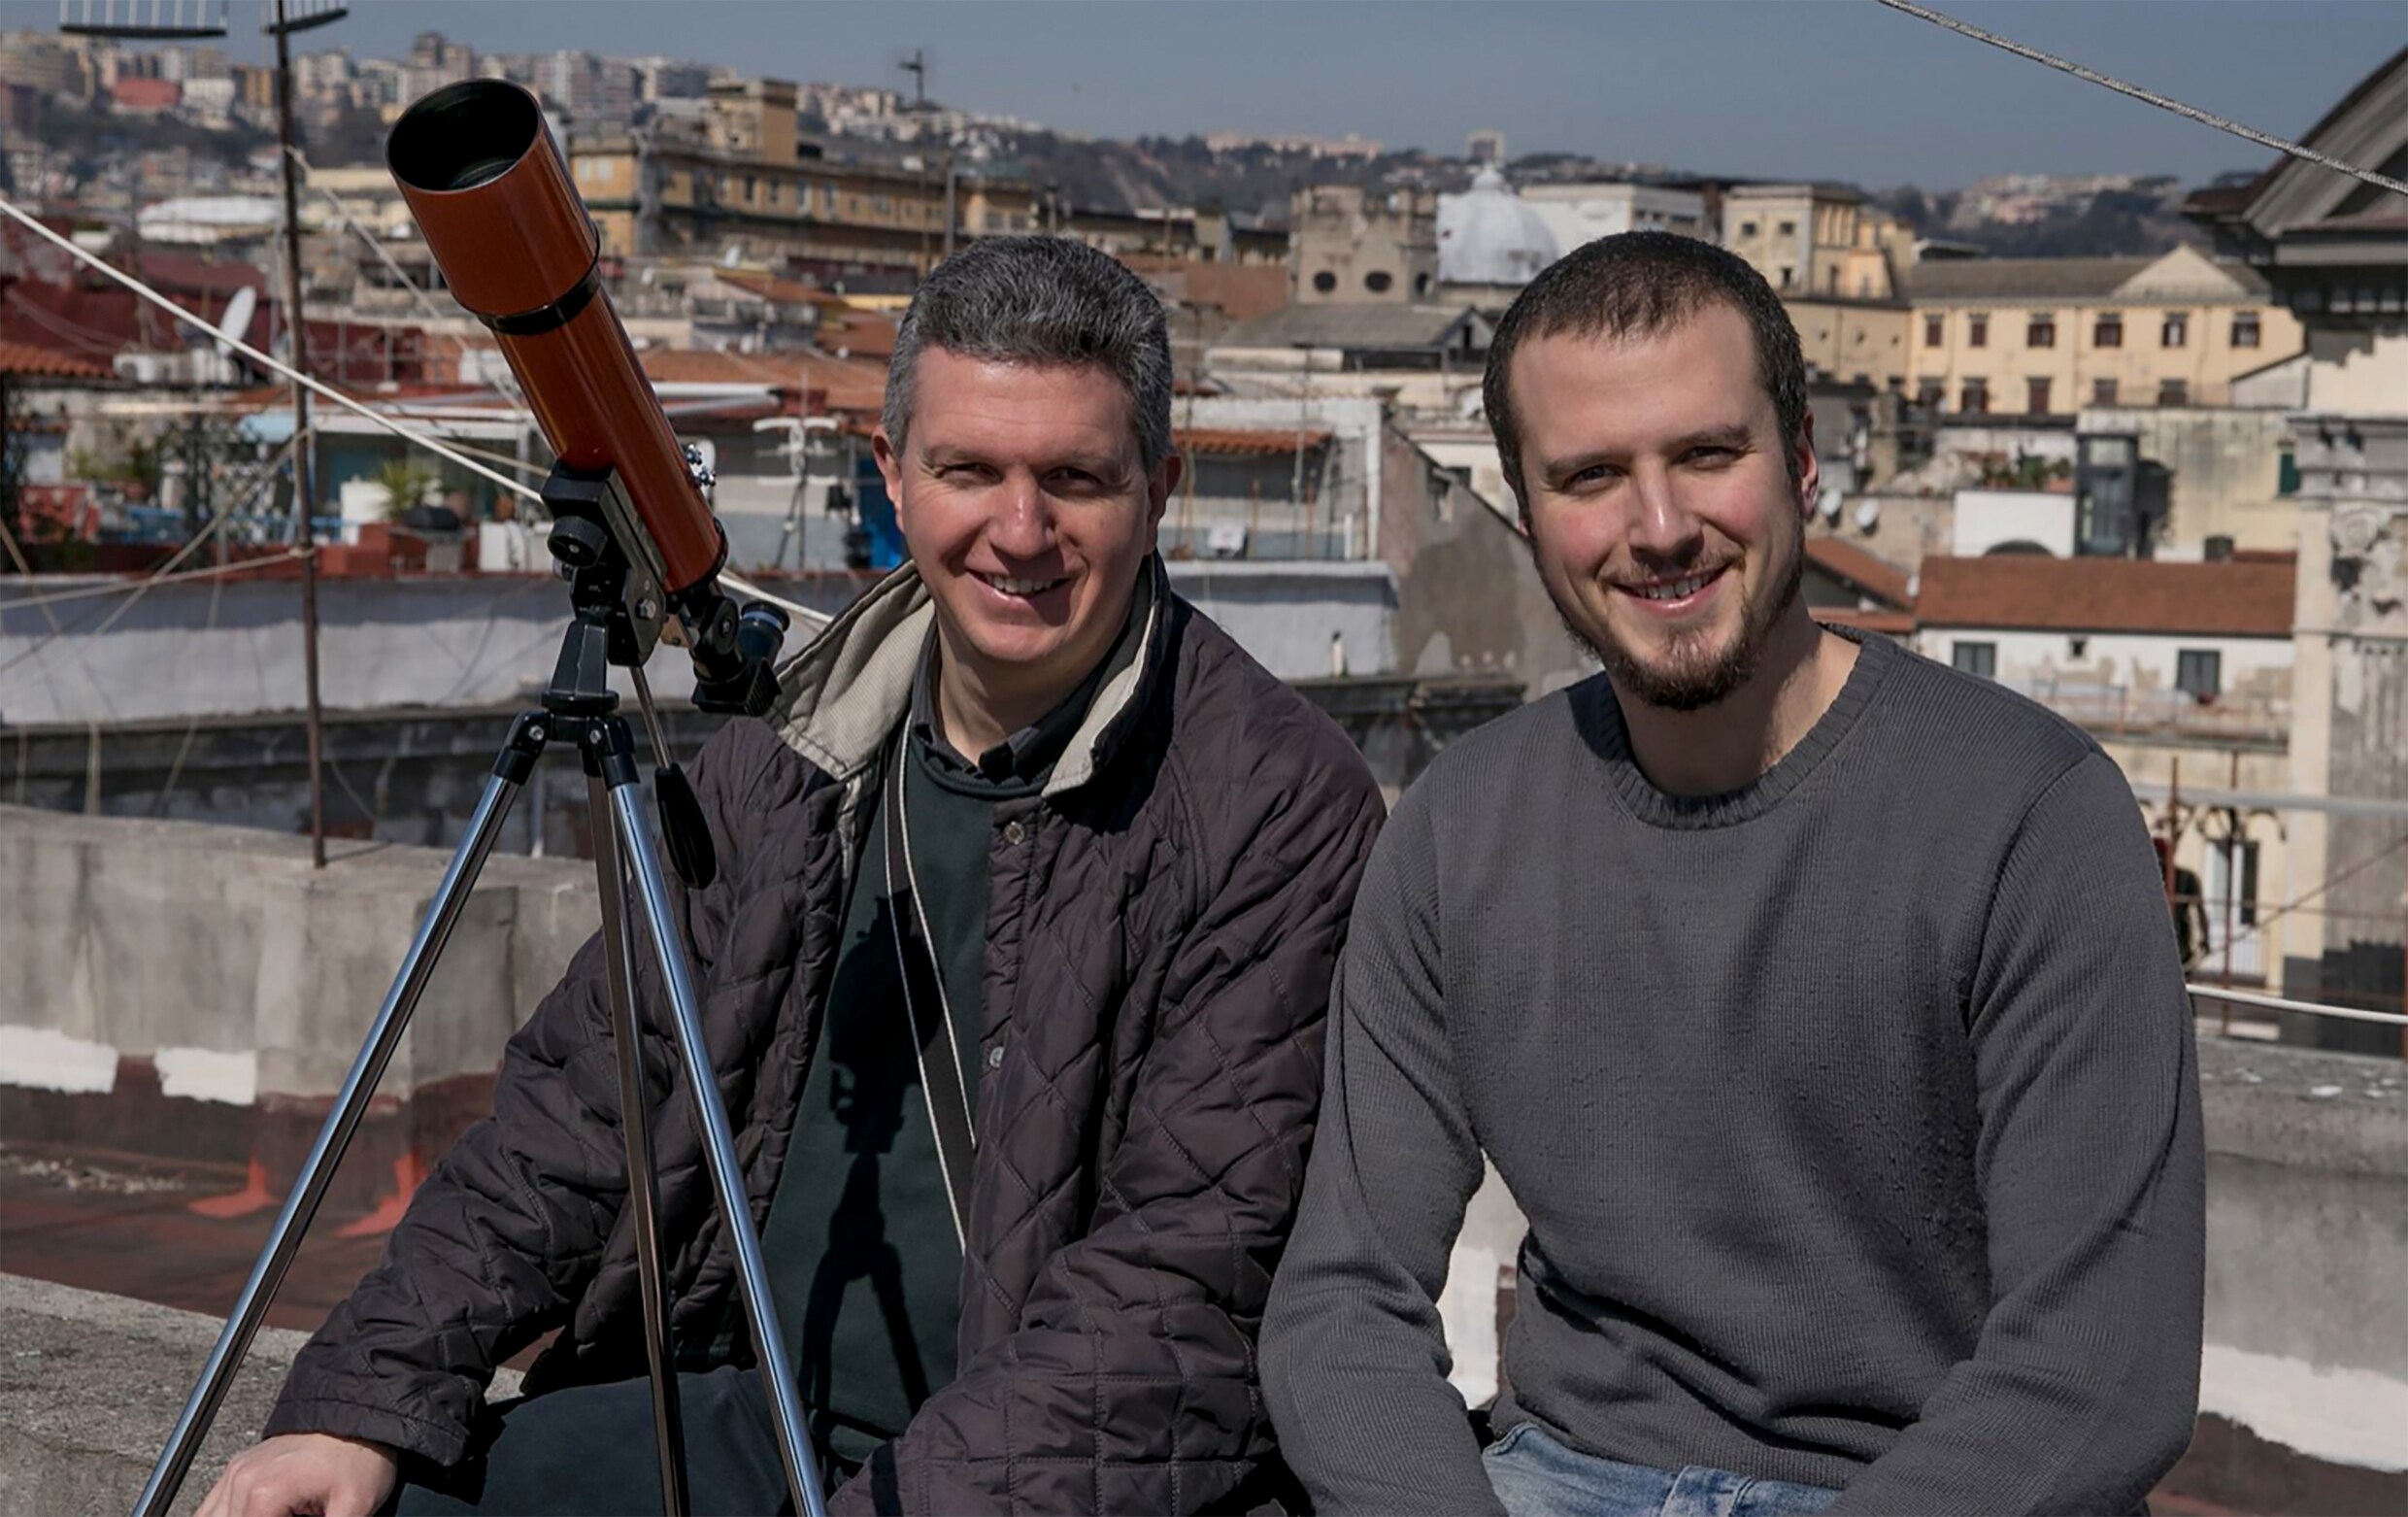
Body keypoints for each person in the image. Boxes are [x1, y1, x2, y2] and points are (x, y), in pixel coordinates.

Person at [201, 236, 1383, 1517]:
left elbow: (1183, 1287)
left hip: (1030, 1486)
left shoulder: (1272, 803)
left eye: (1075, 479)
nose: (1019, 528)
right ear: (895, 474)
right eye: (969, 470)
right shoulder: (784, 751)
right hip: (736, 1415)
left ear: (1159, 485)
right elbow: (583, 1106)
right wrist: (363, 1397)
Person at [1259, 232, 2203, 1516]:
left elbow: (2100, 1366)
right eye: (1593, 475)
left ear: (1801, 457)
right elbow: (1339, 1300)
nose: (1660, 528)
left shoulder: (2031, 814)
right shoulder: (1457, 830)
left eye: (1708, 454)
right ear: (1529, 512)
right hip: (1558, 1477)